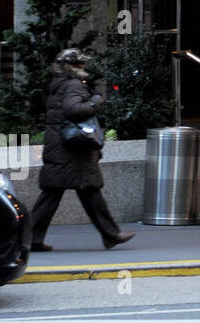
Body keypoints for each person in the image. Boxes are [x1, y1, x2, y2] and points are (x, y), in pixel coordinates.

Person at [29, 49, 134, 252]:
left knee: (76, 193)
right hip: (72, 152)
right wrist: (95, 101)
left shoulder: (58, 85)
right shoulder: (74, 85)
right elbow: (74, 110)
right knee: (81, 192)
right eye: (81, 64)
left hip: (64, 150)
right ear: (75, 67)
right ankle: (111, 235)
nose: (84, 67)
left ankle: (32, 238)